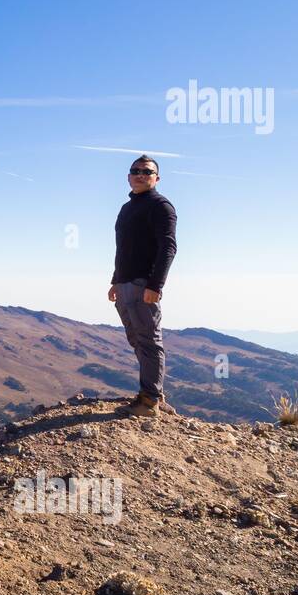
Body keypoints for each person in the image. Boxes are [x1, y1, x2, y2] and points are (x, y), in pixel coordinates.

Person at [107, 155, 177, 417]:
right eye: (135, 170)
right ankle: (155, 393)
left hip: (143, 284)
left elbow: (168, 247)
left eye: (147, 172)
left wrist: (155, 285)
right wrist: (116, 279)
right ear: (128, 177)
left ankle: (149, 402)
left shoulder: (160, 206)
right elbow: (124, 248)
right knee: (137, 339)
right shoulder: (127, 208)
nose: (140, 174)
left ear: (156, 178)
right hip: (125, 283)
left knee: (149, 340)